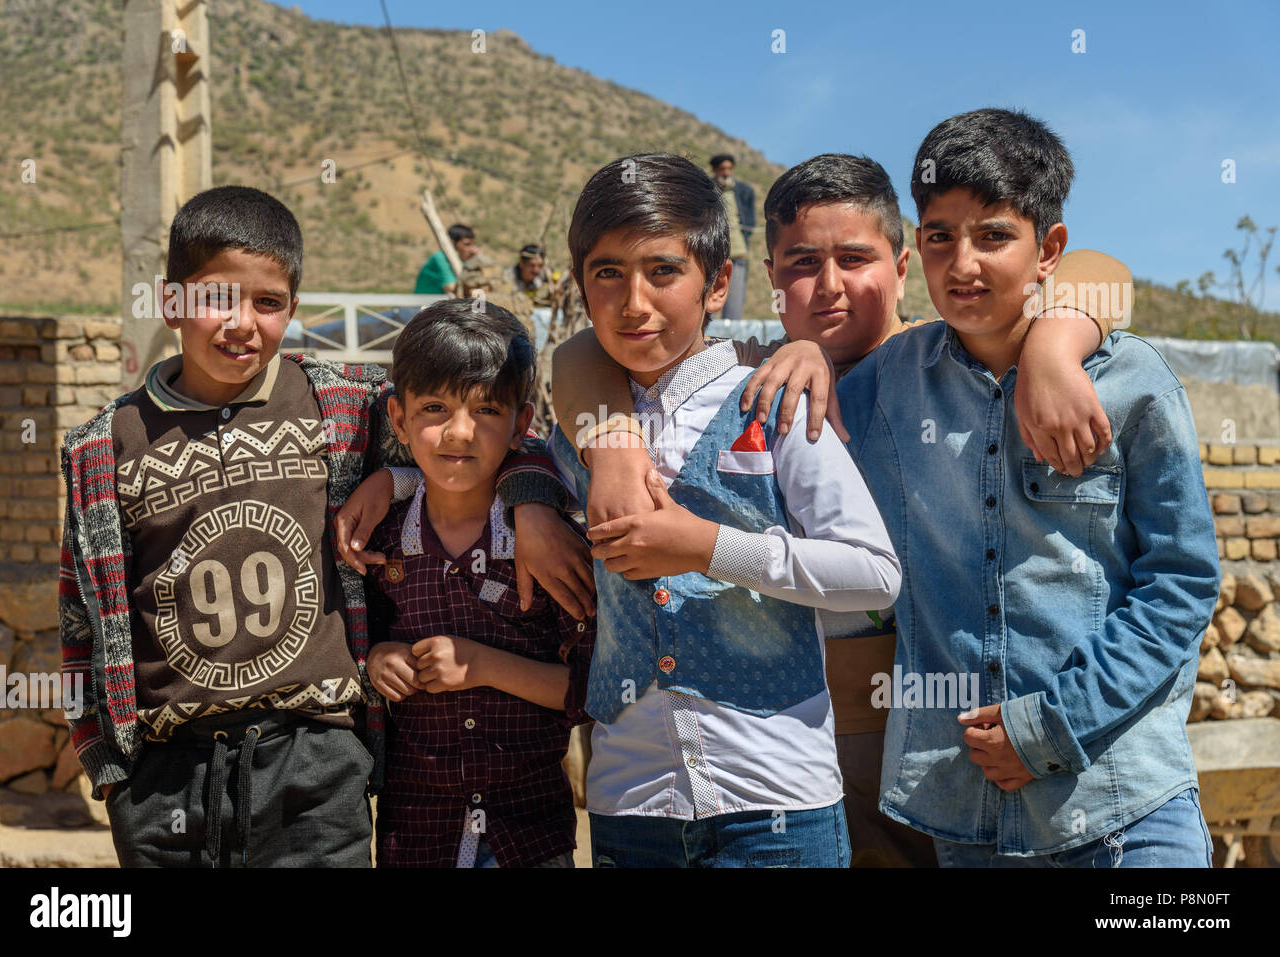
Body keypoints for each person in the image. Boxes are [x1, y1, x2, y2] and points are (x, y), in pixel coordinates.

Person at [550, 155, 1132, 866]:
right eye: (802, 262)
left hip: (967, 738)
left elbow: (1100, 272)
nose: (829, 286)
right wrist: (608, 445)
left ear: (903, 261)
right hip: (805, 754)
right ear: (765, 274)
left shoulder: (946, 360)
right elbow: (583, 347)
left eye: (855, 258)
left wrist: (1054, 344)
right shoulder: (765, 379)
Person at [58, 186, 590, 867]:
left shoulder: (341, 406)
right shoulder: (104, 446)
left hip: (317, 763)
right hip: (166, 780)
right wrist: (106, 764)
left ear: (293, 309)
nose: (241, 323)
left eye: (267, 302)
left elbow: (478, 441)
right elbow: (79, 621)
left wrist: (530, 501)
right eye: (215, 297)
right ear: (170, 302)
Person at [836, 108, 1218, 866]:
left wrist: (1051, 724)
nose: (963, 262)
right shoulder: (885, 390)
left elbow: (1180, 581)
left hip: (1123, 807)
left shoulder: (1133, 383)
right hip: (966, 818)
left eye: (993, 236)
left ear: (1049, 249)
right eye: (940, 235)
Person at [551, 152, 903, 868]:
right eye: (607, 274)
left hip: (778, 799)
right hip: (632, 802)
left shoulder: (772, 403)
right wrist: (526, 500)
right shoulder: (576, 426)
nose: (634, 302)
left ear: (717, 285)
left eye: (662, 271)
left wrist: (707, 546)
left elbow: (874, 573)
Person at [364, 299, 594, 868]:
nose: (459, 433)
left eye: (486, 410)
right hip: (416, 831)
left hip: (529, 832)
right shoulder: (380, 539)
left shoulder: (551, 544)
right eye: (435, 408)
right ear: (399, 420)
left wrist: (481, 664)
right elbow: (348, 641)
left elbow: (592, 689)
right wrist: (376, 661)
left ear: (522, 423)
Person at [708, 154, 754, 321]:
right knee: (708, 301)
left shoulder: (744, 192)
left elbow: (750, 222)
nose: (726, 173)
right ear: (714, 170)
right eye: (722, 169)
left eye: (729, 169)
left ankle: (731, 342)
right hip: (713, 256)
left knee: (734, 303)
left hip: (738, 253)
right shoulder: (706, 191)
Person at [414, 223, 478, 295]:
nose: (473, 250)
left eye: (474, 244)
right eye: (467, 244)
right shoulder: (441, 258)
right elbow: (450, 287)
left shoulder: (464, 261)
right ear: (452, 243)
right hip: (422, 304)